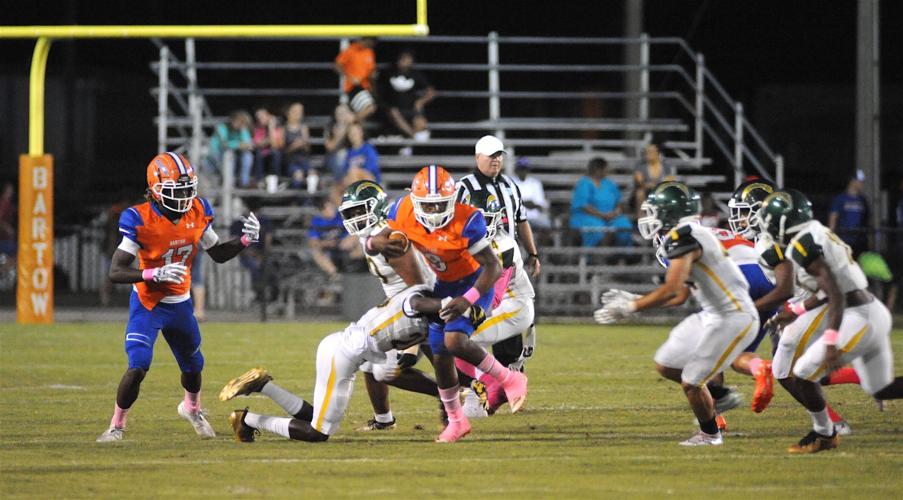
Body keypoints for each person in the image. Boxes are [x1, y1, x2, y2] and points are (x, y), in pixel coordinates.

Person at [96, 152, 260, 442]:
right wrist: (151, 274)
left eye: (187, 189)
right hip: (148, 303)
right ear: (156, 190)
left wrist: (245, 241)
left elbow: (218, 253)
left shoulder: (197, 211)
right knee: (137, 366)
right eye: (177, 191)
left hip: (180, 303)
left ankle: (191, 407)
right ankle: (116, 425)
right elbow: (116, 270)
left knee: (194, 366)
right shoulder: (139, 218)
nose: (184, 197)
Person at [371, 165, 528, 443]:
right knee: (440, 354)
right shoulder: (404, 209)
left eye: (440, 205)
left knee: (454, 341)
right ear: (415, 201)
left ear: (452, 199)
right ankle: (457, 421)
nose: (434, 212)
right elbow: (381, 237)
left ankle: (509, 378)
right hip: (442, 283)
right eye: (428, 206)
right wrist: (376, 243)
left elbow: (493, 268)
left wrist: (467, 300)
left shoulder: (468, 220)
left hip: (474, 283)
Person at [595, 181, 759, 446]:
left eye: (655, 210)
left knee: (691, 381)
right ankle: (719, 392)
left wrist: (631, 307)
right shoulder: (685, 233)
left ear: (670, 212)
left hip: (733, 315)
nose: (649, 216)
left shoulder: (684, 235)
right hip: (713, 314)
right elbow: (681, 294)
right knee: (667, 363)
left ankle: (710, 433)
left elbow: (671, 288)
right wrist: (638, 300)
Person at [759, 189, 903, 453]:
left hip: (860, 316)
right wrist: (799, 309)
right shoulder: (814, 230)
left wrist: (830, 340)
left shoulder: (802, 244)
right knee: (881, 388)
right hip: (869, 309)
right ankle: (826, 433)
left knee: (801, 372)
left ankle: (825, 434)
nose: (766, 226)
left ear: (783, 221)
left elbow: (834, 292)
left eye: (769, 219)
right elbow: (828, 290)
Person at [731, 180, 852, 434]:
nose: (739, 220)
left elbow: (787, 287)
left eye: (744, 212)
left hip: (812, 305)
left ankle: (832, 424)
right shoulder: (778, 236)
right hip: (810, 303)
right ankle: (836, 417)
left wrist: (753, 308)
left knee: (791, 372)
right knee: (792, 371)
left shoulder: (772, 241)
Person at [457, 135, 541, 375]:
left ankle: (508, 386)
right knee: (471, 329)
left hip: (505, 263)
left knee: (507, 341)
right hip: (474, 267)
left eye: (499, 155)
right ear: (477, 157)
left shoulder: (510, 186)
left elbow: (521, 221)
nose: (496, 160)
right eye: (490, 155)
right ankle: (477, 385)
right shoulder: (463, 187)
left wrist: (533, 253)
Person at [456, 188, 537, 416]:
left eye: (485, 220)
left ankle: (499, 382)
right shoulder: (465, 241)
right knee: (457, 336)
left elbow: (495, 297)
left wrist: (463, 307)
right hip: (491, 301)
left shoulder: (503, 246)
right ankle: (478, 402)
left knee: (461, 337)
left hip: (513, 305)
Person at [569, 157, 633, 247]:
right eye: (606, 168)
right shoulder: (583, 183)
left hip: (611, 217)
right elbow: (584, 205)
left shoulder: (609, 183)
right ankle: (591, 257)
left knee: (624, 226)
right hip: (587, 217)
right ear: (598, 170)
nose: (608, 171)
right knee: (596, 229)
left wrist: (616, 211)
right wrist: (602, 215)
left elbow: (618, 200)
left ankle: (621, 256)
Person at [307, 192, 363, 281]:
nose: (331, 209)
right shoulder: (316, 222)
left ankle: (358, 267)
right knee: (315, 252)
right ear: (322, 211)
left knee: (358, 238)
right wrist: (325, 243)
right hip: (329, 247)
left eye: (331, 207)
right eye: (327, 208)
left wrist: (348, 239)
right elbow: (313, 242)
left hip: (345, 243)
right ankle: (334, 274)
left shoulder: (341, 214)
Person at [381, 49, 435, 140]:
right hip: (395, 108)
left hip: (411, 107)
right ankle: (412, 136)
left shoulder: (416, 74)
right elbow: (381, 91)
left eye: (406, 59)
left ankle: (415, 141)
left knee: (420, 122)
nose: (403, 61)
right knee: (393, 111)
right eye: (401, 58)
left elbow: (431, 91)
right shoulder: (388, 73)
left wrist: (420, 102)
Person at [828, 173, 870, 257]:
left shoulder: (863, 200)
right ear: (852, 181)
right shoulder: (840, 199)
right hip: (844, 240)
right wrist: (831, 239)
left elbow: (868, 220)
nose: (862, 184)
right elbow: (833, 219)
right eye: (860, 181)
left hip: (860, 241)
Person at [207, 110, 254, 185]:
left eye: (242, 122)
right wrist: (238, 144)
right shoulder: (222, 127)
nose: (240, 124)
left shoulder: (242, 129)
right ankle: (229, 183)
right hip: (218, 153)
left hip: (235, 154)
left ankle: (244, 183)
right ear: (232, 120)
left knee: (248, 156)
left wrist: (242, 131)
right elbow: (224, 144)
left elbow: (248, 144)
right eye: (239, 121)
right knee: (229, 154)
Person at [335, 37, 377, 121]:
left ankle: (351, 124)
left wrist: (373, 77)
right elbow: (337, 65)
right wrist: (350, 77)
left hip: (365, 87)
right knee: (370, 107)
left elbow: (371, 71)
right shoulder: (351, 50)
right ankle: (350, 121)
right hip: (353, 87)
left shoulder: (369, 52)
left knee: (362, 113)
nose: (373, 44)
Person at [282, 102, 316, 192]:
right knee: (298, 174)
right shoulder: (283, 128)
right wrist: (294, 146)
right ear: (288, 112)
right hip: (291, 161)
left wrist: (304, 144)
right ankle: (296, 200)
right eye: (296, 111)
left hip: (303, 159)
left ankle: (309, 200)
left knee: (313, 175)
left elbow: (308, 149)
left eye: (300, 111)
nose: (299, 113)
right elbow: (282, 151)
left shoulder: (303, 128)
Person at [633, 142, 675, 211]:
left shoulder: (665, 165)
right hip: (646, 191)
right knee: (640, 193)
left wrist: (654, 185)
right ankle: (641, 217)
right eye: (646, 152)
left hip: (661, 190)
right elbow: (640, 182)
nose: (648, 154)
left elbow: (670, 180)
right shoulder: (640, 165)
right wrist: (654, 185)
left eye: (651, 152)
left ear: (658, 153)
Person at [511, 158, 551, 230]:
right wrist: (526, 203)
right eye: (521, 169)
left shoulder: (535, 183)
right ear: (516, 170)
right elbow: (511, 203)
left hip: (534, 217)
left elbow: (540, 204)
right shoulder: (511, 183)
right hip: (517, 218)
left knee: (546, 224)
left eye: (525, 169)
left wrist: (525, 203)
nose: (523, 171)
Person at [251, 108, 285, 186]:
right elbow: (258, 144)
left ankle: (276, 180)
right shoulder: (257, 128)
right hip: (262, 152)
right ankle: (259, 181)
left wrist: (271, 127)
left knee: (275, 153)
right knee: (259, 154)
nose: (260, 120)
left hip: (275, 152)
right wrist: (268, 140)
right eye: (258, 118)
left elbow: (275, 145)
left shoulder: (277, 128)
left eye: (262, 117)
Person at [324, 104, 355, 181]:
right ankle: (340, 186)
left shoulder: (353, 126)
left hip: (352, 156)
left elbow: (359, 144)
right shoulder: (330, 127)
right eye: (339, 113)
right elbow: (329, 147)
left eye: (344, 112)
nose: (341, 115)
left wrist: (351, 125)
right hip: (333, 157)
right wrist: (338, 136)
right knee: (340, 158)